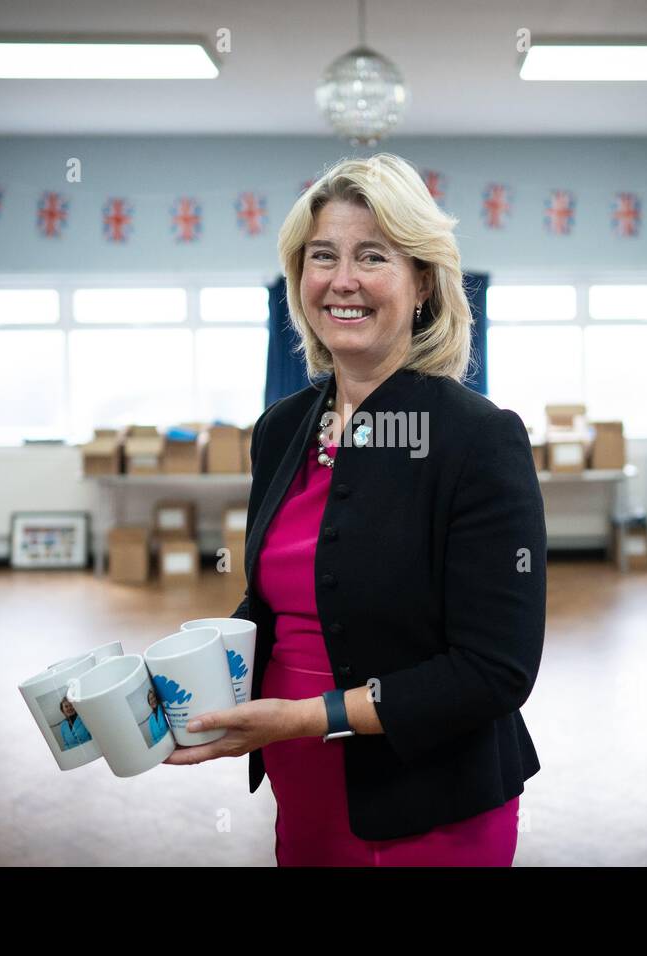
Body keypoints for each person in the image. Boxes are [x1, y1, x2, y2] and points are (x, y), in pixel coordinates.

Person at [164, 153, 546, 866]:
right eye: (322, 257)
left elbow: (495, 669)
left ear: (423, 282)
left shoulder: (477, 438)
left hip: (430, 801)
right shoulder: (282, 428)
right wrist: (184, 686)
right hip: (300, 788)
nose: (343, 281)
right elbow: (274, 598)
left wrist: (305, 718)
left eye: (373, 256)